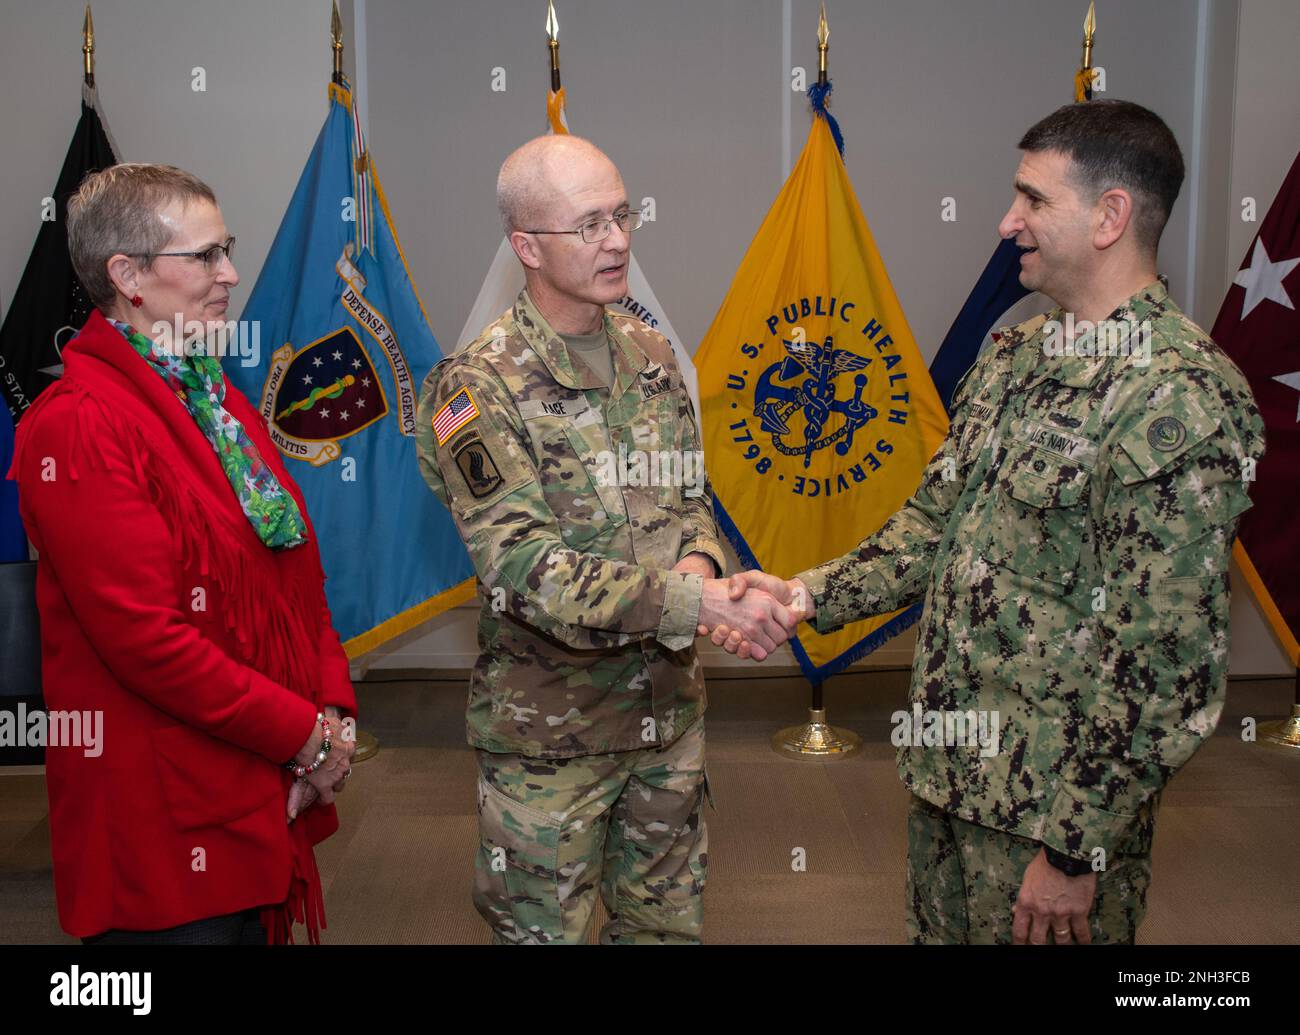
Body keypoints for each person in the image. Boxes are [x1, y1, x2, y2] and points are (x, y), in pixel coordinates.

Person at [708, 100, 1265, 945]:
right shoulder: (1016, 360)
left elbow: (1165, 662)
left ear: (1110, 215)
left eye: (1033, 200)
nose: (1009, 223)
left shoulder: (1178, 397)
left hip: (1048, 820)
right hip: (950, 784)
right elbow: (931, 529)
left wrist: (1075, 851)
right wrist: (800, 592)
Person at [416, 135, 796, 944]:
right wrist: (700, 602)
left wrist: (701, 564)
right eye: (588, 225)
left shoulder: (653, 355)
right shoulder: (475, 387)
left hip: (667, 720)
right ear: (527, 246)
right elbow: (526, 569)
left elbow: (691, 502)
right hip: (552, 741)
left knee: (664, 932)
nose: (619, 239)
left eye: (622, 215)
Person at [7, 163, 357, 944]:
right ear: (127, 276)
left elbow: (298, 579)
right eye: (203, 256)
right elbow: (150, 644)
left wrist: (334, 713)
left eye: (225, 248)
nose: (230, 272)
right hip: (164, 812)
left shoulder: (216, 400)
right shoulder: (78, 424)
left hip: (258, 775)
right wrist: (305, 735)